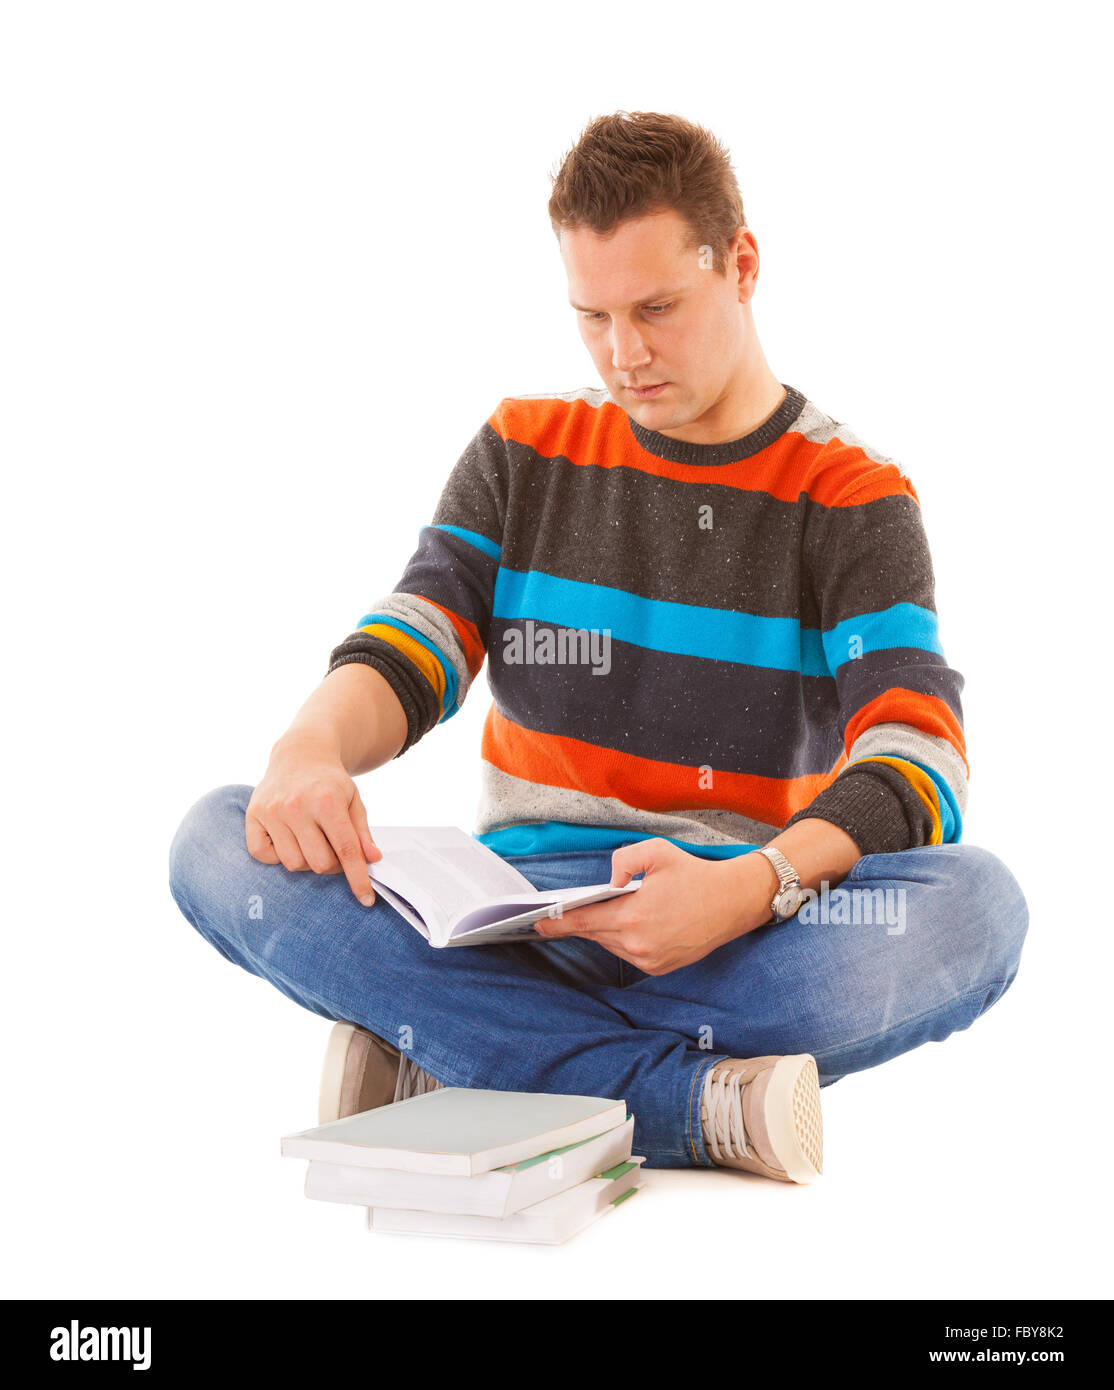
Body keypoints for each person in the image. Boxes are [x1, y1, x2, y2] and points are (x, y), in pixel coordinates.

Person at [169, 111, 1028, 1182]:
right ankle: (688, 1104)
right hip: (503, 924)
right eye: (593, 317)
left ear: (742, 264)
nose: (625, 354)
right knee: (216, 838)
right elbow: (412, 643)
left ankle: (460, 1069)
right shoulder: (525, 448)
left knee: (978, 905)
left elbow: (920, 756)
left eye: (657, 309)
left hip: (732, 933)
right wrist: (308, 752)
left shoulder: (850, 496)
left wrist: (749, 885)